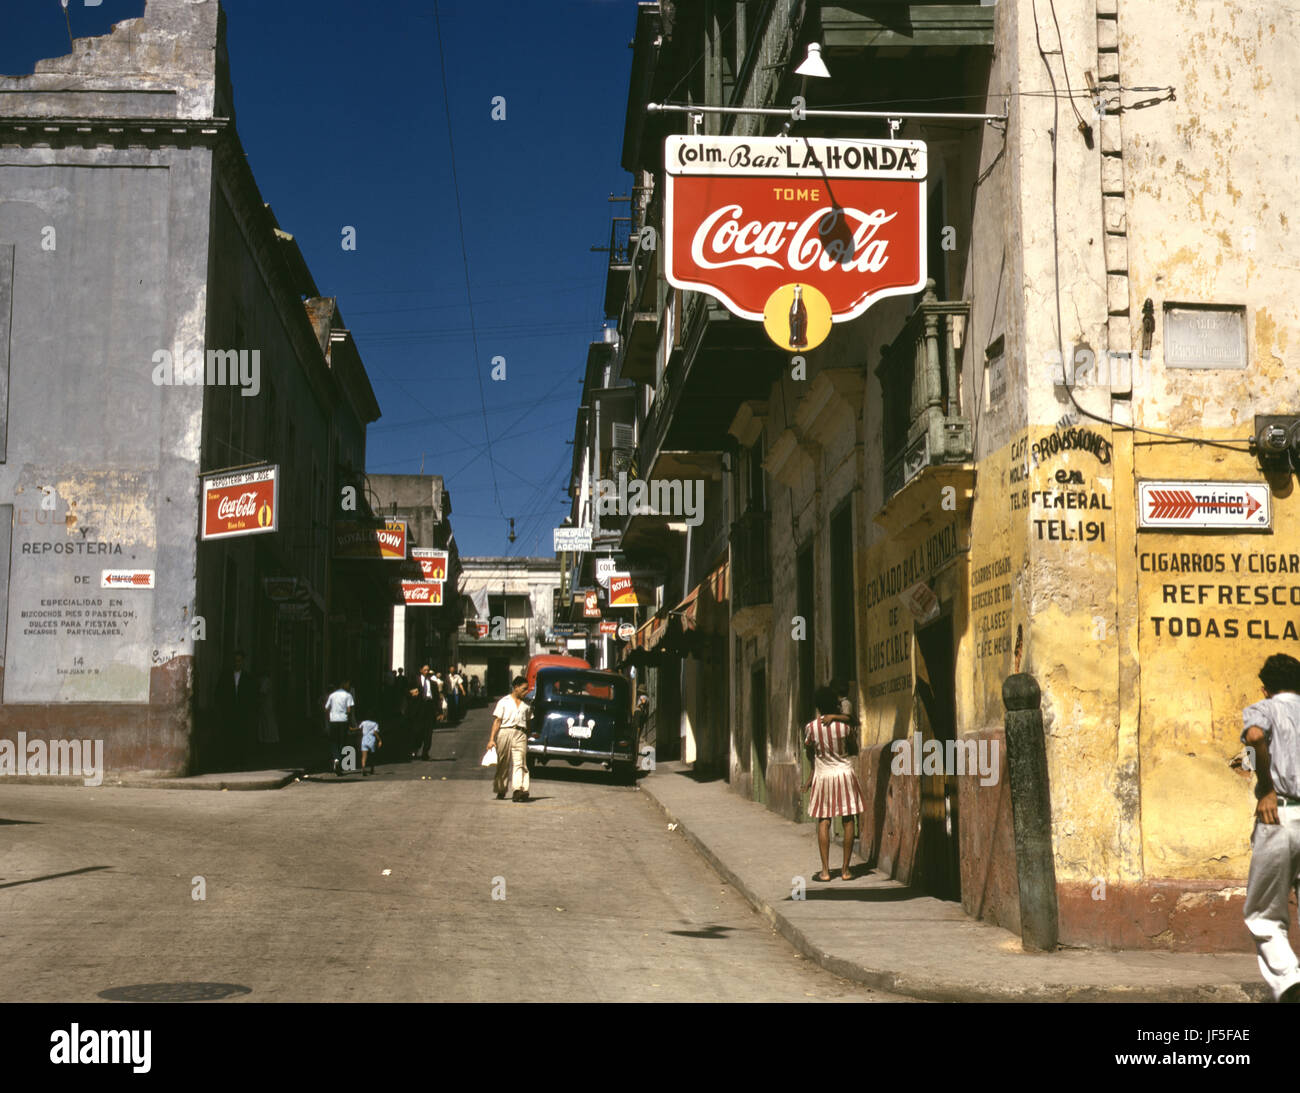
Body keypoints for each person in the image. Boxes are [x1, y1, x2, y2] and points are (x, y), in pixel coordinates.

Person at [1240, 652, 1300, 1003]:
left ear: (1266, 687)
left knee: (1264, 913)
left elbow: (1256, 735)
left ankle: (1291, 982)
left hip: (1279, 816)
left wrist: (1266, 788)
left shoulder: (1265, 708)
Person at [802, 684, 865, 882]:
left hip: (823, 776)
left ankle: (826, 871)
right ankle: (846, 871)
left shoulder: (811, 728)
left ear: (819, 706)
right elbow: (853, 749)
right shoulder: (845, 727)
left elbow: (810, 752)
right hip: (844, 774)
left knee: (824, 820)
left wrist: (811, 776)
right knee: (848, 820)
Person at [489, 675, 531, 802]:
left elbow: (529, 722)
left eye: (527, 689)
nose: (526, 692)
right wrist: (491, 739)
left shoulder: (526, 705)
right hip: (505, 732)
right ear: (516, 687)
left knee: (520, 763)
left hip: (520, 733)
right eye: (524, 689)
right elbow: (497, 721)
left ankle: (519, 790)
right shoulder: (503, 702)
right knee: (503, 762)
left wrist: (526, 736)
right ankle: (501, 789)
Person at [214, 649, 257, 770]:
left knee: (242, 736)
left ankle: (241, 760)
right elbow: (219, 693)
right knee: (229, 736)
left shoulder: (248, 678)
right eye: (235, 661)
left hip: (243, 712)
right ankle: (230, 760)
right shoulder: (225, 676)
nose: (237, 663)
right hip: (229, 711)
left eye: (239, 661)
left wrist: (249, 711)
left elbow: (252, 696)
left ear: (242, 662)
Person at [324, 678, 356, 776]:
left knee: (333, 741)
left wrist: (329, 719)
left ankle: (336, 758)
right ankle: (339, 759)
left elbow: (326, 708)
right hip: (343, 721)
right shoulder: (348, 695)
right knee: (342, 742)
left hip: (334, 721)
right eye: (348, 684)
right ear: (344, 684)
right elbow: (349, 710)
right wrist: (351, 723)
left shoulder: (332, 695)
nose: (349, 686)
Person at [409, 665, 438, 760]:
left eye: (428, 670)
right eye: (425, 670)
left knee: (428, 732)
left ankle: (425, 753)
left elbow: (436, 698)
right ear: (421, 670)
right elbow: (406, 691)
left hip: (429, 707)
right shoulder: (414, 681)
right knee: (418, 730)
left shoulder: (433, 683)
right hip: (419, 708)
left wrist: (439, 712)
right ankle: (415, 748)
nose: (427, 671)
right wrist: (411, 692)